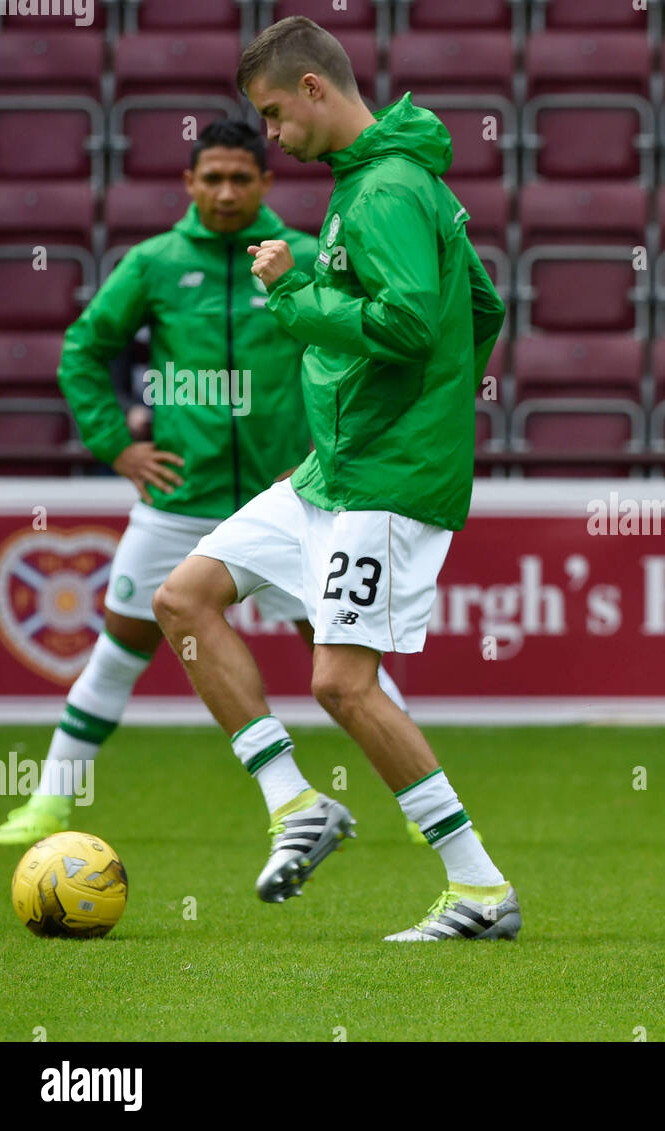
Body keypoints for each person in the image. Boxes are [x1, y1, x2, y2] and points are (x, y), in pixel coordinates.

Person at [153, 17, 516, 942]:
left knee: (343, 685)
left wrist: (291, 292)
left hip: (385, 477)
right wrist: (442, 388)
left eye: (274, 115)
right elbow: (481, 303)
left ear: (315, 89)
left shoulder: (387, 187)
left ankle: (479, 889)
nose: (270, 136)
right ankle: (293, 803)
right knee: (185, 598)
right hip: (336, 468)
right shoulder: (381, 180)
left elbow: (406, 324)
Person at [0, 119, 409, 844]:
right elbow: (85, 350)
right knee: (120, 646)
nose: (224, 191)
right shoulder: (154, 263)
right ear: (188, 183)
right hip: (178, 503)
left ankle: (415, 808)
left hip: (289, 503)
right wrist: (118, 447)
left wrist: (324, 451)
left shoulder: (308, 257)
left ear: (266, 182)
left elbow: (364, 355)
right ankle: (49, 804)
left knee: (343, 645)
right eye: (210, 177)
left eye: (239, 177)